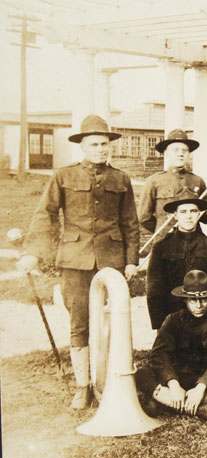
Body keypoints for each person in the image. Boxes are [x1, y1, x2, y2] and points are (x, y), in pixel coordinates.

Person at [21, 114, 140, 410]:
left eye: (105, 144)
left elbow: (131, 224)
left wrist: (131, 261)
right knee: (79, 323)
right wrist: (34, 252)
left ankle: (112, 379)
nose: (101, 149)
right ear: (83, 146)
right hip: (75, 260)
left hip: (111, 260)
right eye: (95, 144)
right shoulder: (64, 176)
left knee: (113, 321)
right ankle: (82, 385)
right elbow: (45, 214)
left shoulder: (120, 178)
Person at [135, 270, 207, 420]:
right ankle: (199, 409)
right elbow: (158, 354)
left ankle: (166, 403)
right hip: (180, 376)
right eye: (193, 300)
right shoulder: (173, 320)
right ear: (185, 300)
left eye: (203, 299)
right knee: (142, 373)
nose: (199, 305)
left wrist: (201, 387)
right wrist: (173, 384)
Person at [146, 197, 207, 330]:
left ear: (199, 214)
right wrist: (160, 325)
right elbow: (154, 289)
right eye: (183, 212)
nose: (188, 216)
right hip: (173, 313)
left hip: (203, 312)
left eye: (193, 211)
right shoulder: (161, 246)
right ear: (175, 215)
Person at [138, 129, 207, 239]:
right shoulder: (154, 181)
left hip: (194, 241)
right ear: (166, 153)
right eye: (175, 150)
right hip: (166, 242)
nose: (180, 154)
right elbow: (144, 217)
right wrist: (162, 230)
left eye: (185, 150)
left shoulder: (198, 181)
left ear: (189, 155)